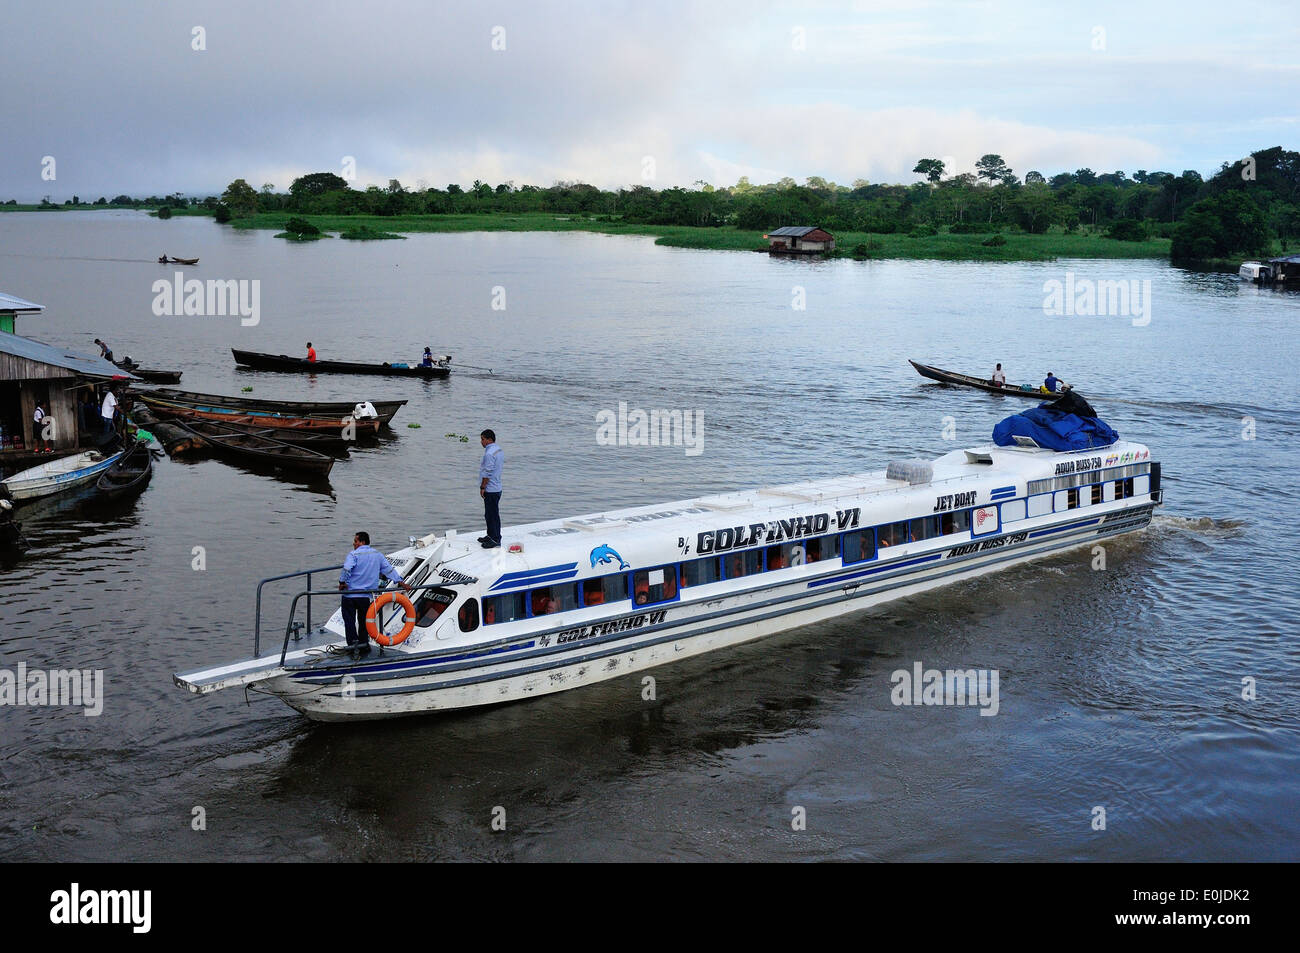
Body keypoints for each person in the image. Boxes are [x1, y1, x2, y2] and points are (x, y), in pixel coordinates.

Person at [338, 531, 409, 659]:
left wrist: (342, 582)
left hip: (349, 595)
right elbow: (388, 570)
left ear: (362, 542)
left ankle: (352, 646)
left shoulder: (353, 555)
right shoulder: (378, 555)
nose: (353, 544)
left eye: (355, 541)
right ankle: (364, 645)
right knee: (365, 620)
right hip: (365, 596)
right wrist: (401, 582)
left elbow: (347, 568)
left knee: (349, 621)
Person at [478, 429, 504, 548]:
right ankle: (490, 535)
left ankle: (495, 539)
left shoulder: (489, 454)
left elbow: (487, 472)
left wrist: (483, 487)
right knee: (490, 514)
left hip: (491, 488)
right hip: (497, 486)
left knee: (492, 514)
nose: (481, 442)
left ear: (489, 439)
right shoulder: (498, 450)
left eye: (482, 439)